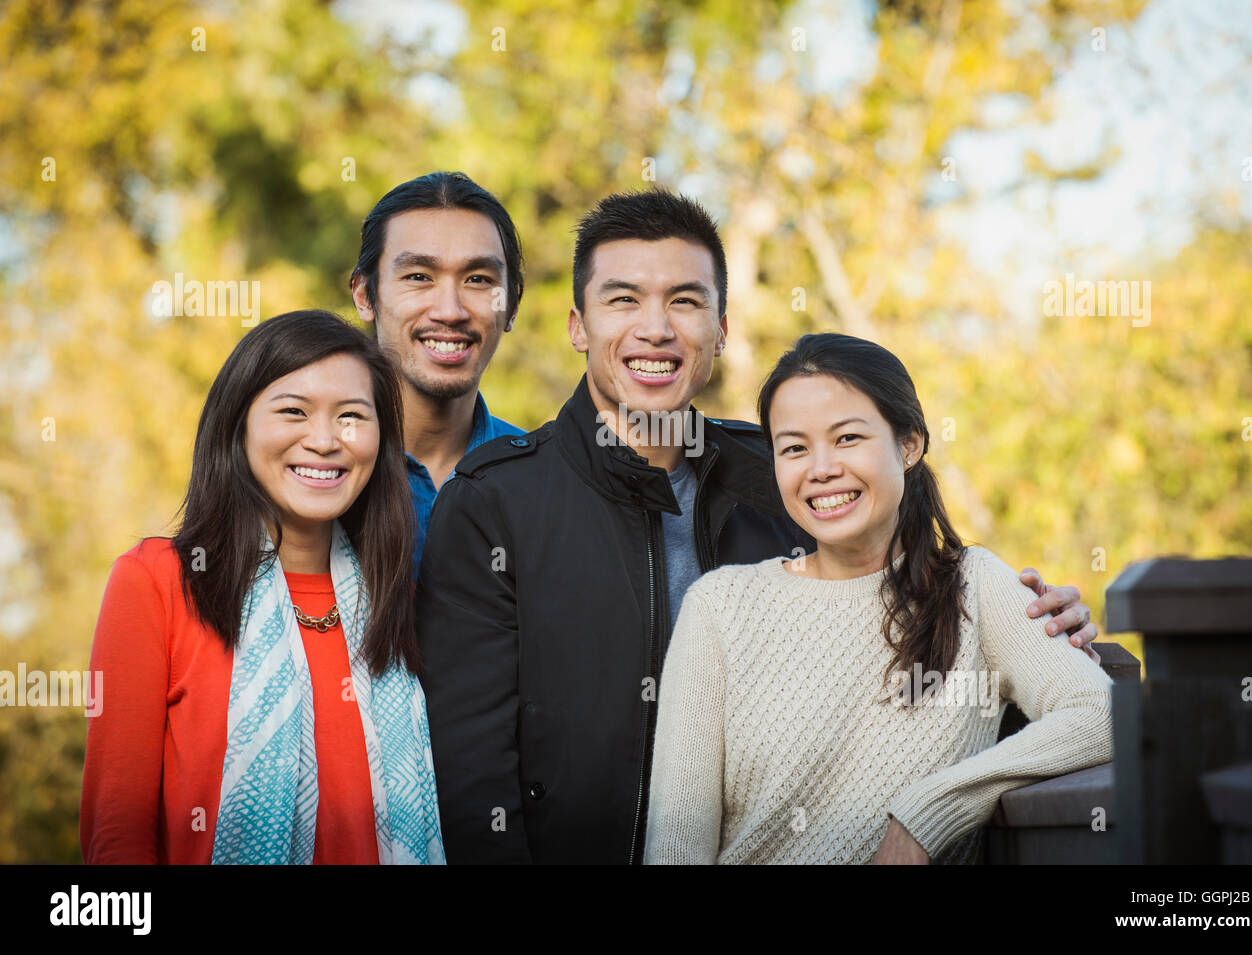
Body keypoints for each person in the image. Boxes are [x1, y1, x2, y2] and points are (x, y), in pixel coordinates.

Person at [416, 190, 1098, 864]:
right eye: (623, 299)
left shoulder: (783, 474)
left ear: (721, 328)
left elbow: (913, 612)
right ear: (577, 326)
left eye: (684, 301)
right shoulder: (496, 502)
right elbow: (476, 779)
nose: (656, 328)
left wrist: (1039, 616)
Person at [644, 333, 1114, 864]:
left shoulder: (973, 587)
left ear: (908, 444)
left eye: (847, 438)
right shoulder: (720, 607)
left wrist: (925, 813)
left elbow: (1101, 712)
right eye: (794, 448)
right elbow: (677, 845)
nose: (820, 468)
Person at [81, 310, 444, 864]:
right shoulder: (157, 581)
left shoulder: (402, 596)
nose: (324, 440)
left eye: (351, 416)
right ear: (238, 426)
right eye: (293, 412)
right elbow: (117, 835)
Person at [350, 172, 524, 576]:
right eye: (418, 277)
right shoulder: (317, 467)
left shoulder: (549, 484)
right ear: (364, 295)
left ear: (512, 303)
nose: (450, 310)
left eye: (478, 280)